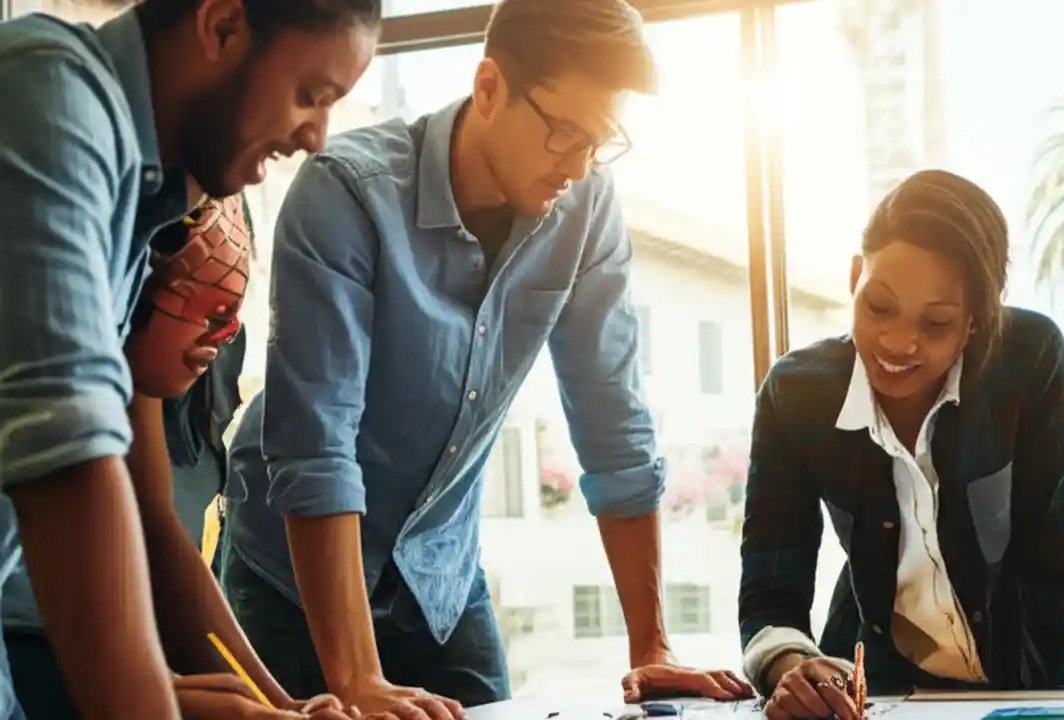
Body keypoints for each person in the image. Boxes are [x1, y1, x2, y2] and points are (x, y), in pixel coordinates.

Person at [220, 0, 754, 714]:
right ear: (490, 87)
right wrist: (356, 682)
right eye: (564, 132)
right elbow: (317, 448)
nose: (579, 165)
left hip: (438, 574)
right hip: (293, 577)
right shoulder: (346, 193)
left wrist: (651, 645)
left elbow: (613, 424)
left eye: (601, 142)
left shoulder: (587, 207)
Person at [0, 0, 377, 715]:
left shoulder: (143, 200)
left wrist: (270, 707)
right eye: (311, 95)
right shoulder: (46, 93)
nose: (313, 136)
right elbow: (65, 450)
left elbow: (141, 512)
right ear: (223, 25)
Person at [738, 170, 1064, 719]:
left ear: (975, 321)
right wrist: (791, 665)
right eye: (878, 307)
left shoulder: (1028, 360)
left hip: (1053, 677)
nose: (898, 342)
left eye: (937, 322)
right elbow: (770, 589)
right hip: (891, 692)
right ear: (855, 277)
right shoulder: (796, 393)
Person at [0, 195, 257, 718]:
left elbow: (159, 531)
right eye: (211, 311)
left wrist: (279, 703)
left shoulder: (173, 365)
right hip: (37, 642)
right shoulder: (54, 382)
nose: (224, 334)